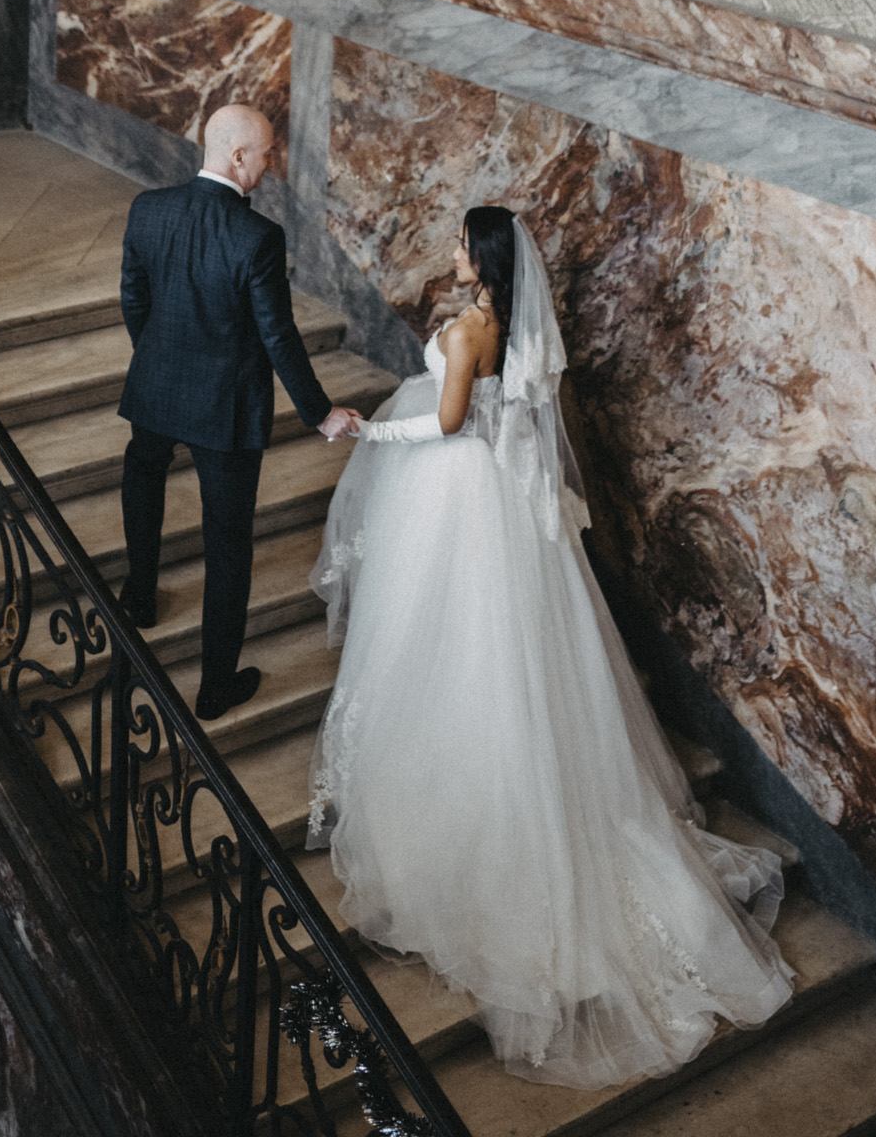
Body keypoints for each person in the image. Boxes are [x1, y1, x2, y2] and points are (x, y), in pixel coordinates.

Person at [308, 210, 793, 1091]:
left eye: (460, 241)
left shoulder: (464, 332)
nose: (452, 250)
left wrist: (366, 433)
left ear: (481, 258)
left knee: (448, 645)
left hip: (455, 490)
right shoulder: (507, 327)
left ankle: (478, 821)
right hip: (498, 499)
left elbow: (451, 422)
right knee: (510, 653)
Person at [118, 104, 360, 719]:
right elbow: (278, 336)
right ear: (236, 157)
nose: (272, 162)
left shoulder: (149, 209)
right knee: (226, 544)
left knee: (143, 474)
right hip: (224, 409)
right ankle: (215, 686)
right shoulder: (257, 237)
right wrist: (320, 412)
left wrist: (160, 357)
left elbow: (133, 297)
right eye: (267, 153)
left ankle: (139, 601)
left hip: (156, 388)